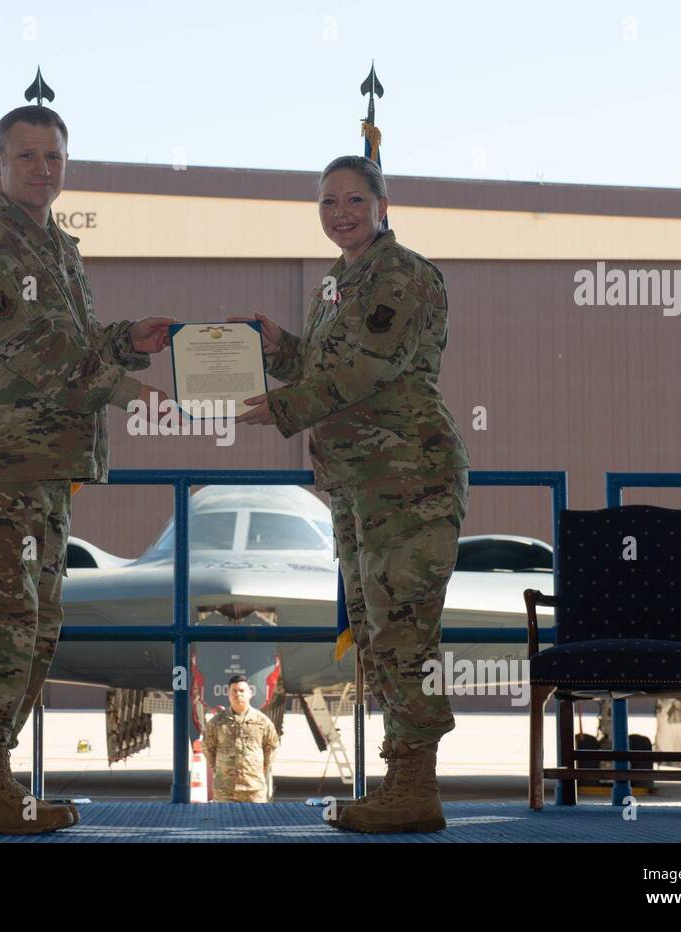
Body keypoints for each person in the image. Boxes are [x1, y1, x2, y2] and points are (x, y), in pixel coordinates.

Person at [0, 104, 174, 834]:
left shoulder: (56, 247)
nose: (42, 168)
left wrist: (129, 341)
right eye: (27, 156)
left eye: (53, 157)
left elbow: (71, 343)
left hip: (42, 470)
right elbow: (40, 356)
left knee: (34, 627)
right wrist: (141, 396)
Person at [232, 155, 470, 833]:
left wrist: (280, 407)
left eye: (354, 200)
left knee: (406, 631)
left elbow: (367, 370)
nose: (341, 213)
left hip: (408, 478)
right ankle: (401, 782)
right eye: (328, 203)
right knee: (375, 631)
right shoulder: (340, 281)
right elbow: (329, 364)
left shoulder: (401, 274)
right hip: (361, 484)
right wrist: (281, 351)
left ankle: (417, 786)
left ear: (382, 203)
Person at [202, 676, 280, 802]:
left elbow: (272, 746)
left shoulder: (262, 721)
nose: (238, 694)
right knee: (223, 821)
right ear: (228, 694)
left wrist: (259, 769)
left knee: (255, 821)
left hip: (253, 790)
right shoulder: (217, 722)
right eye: (234, 691)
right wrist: (220, 769)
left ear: (250, 693)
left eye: (242, 691)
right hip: (225, 790)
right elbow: (208, 747)